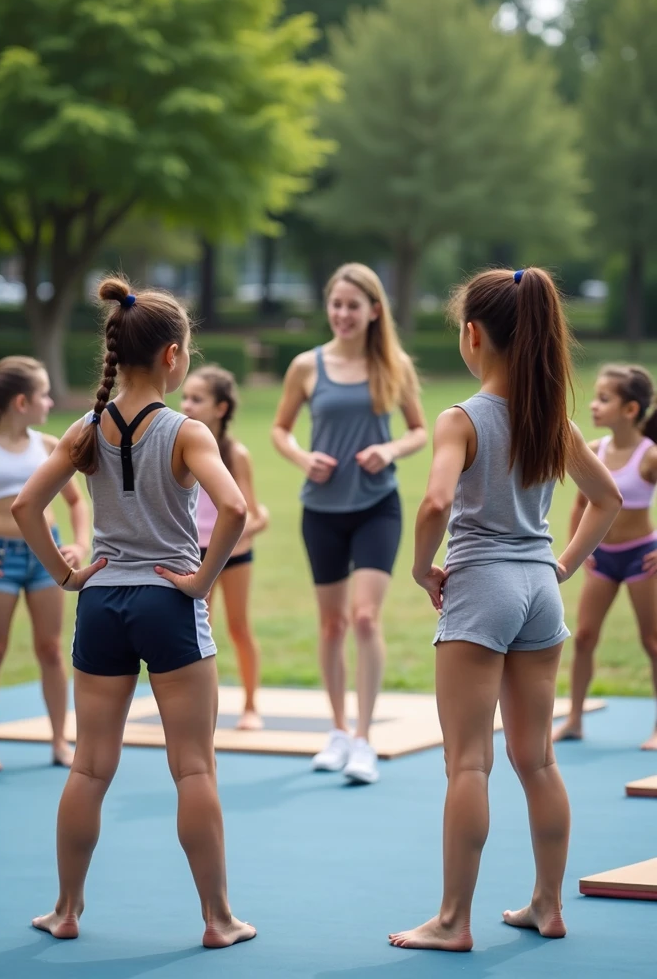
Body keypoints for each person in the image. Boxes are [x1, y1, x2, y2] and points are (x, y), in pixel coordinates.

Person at [11, 277, 256, 949]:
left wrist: (67, 576)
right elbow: (235, 509)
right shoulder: (185, 431)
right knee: (194, 768)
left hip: (101, 604)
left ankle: (65, 909)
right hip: (167, 601)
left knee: (89, 767)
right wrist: (202, 580)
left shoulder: (85, 428)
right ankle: (218, 919)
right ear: (173, 356)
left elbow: (27, 507)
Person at [389, 267, 621, 952]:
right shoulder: (553, 420)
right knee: (537, 760)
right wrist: (562, 565)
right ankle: (548, 904)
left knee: (468, 762)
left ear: (473, 336)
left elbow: (435, 502)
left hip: (482, 587)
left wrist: (420, 567)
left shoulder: (460, 418)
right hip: (539, 592)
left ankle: (452, 921)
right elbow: (606, 499)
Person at [272, 263, 427, 784]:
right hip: (321, 510)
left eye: (353, 306)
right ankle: (337, 731)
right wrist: (302, 458)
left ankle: (364, 740)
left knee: (364, 618)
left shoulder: (394, 365)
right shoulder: (306, 366)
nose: (342, 314)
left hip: (377, 506)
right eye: (336, 304)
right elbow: (280, 430)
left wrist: (390, 449)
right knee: (332, 624)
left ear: (374, 311)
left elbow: (419, 431)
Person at [0, 356, 89, 772]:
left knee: (51, 649)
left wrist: (79, 543)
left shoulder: (48, 446)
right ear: (22, 402)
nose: (51, 402)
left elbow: (76, 502)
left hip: (45, 557)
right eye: (44, 395)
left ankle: (59, 741)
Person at [553, 365, 657, 750]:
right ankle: (575, 720)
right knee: (582, 637)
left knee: (652, 642)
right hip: (602, 560)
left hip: (642, 558)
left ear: (630, 410)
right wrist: (577, 553)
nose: (593, 405)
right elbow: (581, 505)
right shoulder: (594, 450)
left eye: (604, 399)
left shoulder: (649, 456)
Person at [181, 365, 269, 730]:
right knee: (198, 633)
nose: (186, 405)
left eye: (197, 399)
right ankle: (199, 709)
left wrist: (250, 527)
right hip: (192, 555)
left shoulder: (236, 454)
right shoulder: (179, 446)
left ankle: (250, 706)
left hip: (233, 556)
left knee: (238, 627)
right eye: (185, 397)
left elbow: (252, 512)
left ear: (221, 408)